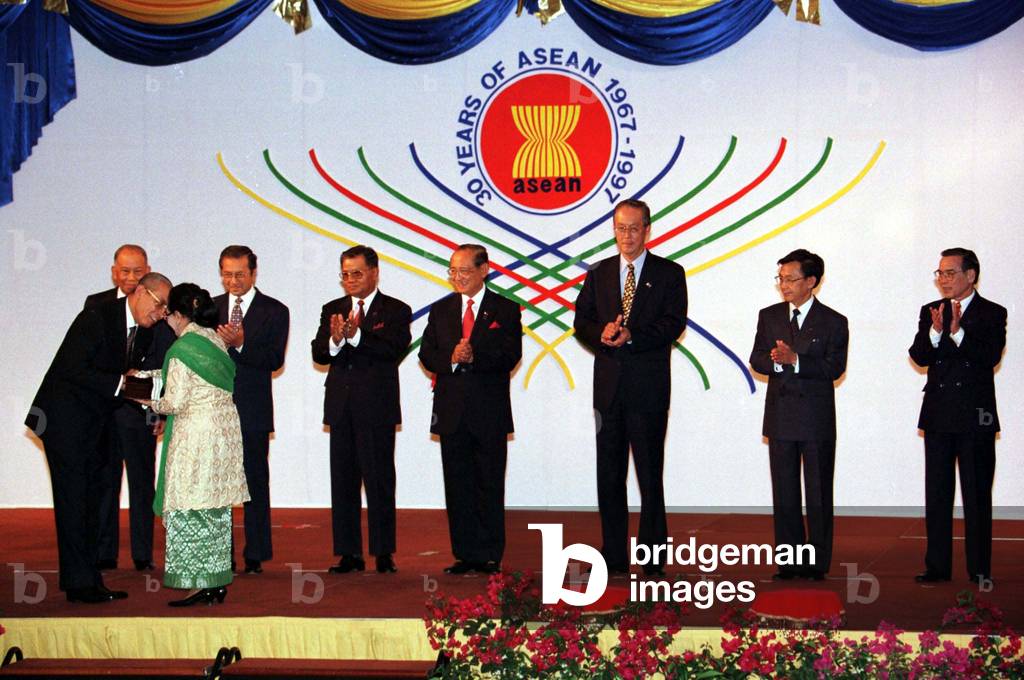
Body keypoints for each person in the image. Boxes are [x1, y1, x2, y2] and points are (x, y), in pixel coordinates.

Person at [25, 272, 172, 603]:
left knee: (96, 500)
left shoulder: (145, 333)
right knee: (74, 501)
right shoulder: (96, 317)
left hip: (97, 421)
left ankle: (89, 578)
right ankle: (79, 584)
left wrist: (154, 408)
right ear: (142, 293)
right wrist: (123, 384)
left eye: (165, 311)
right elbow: (72, 369)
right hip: (65, 422)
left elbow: (133, 379)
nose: (161, 315)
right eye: (160, 306)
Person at [573, 199, 688, 576]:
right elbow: (582, 321)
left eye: (634, 228)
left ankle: (653, 557)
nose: (627, 236)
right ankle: (613, 554)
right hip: (608, 392)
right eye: (620, 228)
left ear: (648, 229)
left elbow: (673, 324)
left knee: (649, 475)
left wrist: (632, 336)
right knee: (609, 474)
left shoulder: (670, 273)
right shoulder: (600, 272)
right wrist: (602, 333)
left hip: (648, 391)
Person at [140, 283, 250, 606]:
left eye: (168, 315)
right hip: (224, 434)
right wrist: (148, 375)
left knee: (189, 507)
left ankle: (198, 583)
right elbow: (190, 380)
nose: (167, 321)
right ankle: (216, 581)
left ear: (177, 314)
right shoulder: (215, 340)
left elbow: (174, 401)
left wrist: (144, 397)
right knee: (214, 508)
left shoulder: (182, 349)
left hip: (195, 437)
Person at [419, 244, 522, 574]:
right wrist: (451, 358)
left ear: (484, 270)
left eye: (464, 271)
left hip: (488, 412)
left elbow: (511, 354)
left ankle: (491, 553)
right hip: (451, 412)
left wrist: (475, 357)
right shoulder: (441, 309)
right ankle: (465, 554)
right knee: (458, 485)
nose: (457, 277)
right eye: (453, 271)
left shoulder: (505, 309)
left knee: (489, 484)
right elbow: (426, 353)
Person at [749, 249, 848, 581]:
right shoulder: (770, 315)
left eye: (791, 279)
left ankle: (817, 563)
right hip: (780, 417)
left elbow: (835, 368)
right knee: (785, 493)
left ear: (811, 281)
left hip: (816, 420)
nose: (784, 285)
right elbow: (757, 358)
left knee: (818, 494)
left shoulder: (834, 321)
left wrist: (797, 361)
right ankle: (789, 562)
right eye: (780, 278)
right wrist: (777, 361)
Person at [312, 246, 411, 574]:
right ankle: (348, 553)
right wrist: (336, 340)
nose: (350, 280)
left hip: (377, 409)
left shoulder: (396, 309)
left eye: (357, 273)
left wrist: (355, 337)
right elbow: (319, 353)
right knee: (342, 482)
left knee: (380, 480)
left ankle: (384, 553)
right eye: (345, 274)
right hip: (341, 408)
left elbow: (392, 349)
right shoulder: (332, 309)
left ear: (374, 273)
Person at [909, 248, 1006, 585]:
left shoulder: (992, 312)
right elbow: (919, 356)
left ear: (971, 275)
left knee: (977, 495)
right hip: (938, 414)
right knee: (937, 493)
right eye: (940, 273)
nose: (944, 280)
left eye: (950, 273)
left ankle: (979, 570)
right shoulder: (929, 311)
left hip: (975, 416)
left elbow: (989, 356)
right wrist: (935, 332)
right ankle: (937, 567)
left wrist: (956, 331)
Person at [85, 244, 172, 572]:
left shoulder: (158, 307)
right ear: (113, 272)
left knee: (141, 482)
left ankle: (142, 554)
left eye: (138, 271)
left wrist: (160, 410)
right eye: (125, 271)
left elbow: (164, 362)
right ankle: (104, 553)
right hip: (104, 411)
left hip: (140, 412)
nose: (131, 278)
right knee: (105, 481)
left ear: (147, 271)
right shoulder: (97, 305)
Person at [213, 245, 290, 574]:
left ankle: (256, 554)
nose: (233, 281)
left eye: (240, 274)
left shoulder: (275, 310)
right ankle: (219, 554)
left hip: (253, 410)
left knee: (254, 482)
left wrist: (241, 344)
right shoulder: (210, 309)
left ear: (254, 273)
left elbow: (274, 360)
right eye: (227, 274)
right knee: (217, 484)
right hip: (214, 410)